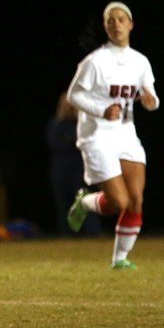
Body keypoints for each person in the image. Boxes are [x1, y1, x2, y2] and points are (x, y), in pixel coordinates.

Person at [66, 1, 160, 270]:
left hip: (126, 133)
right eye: (110, 20)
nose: (116, 24)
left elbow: (152, 99)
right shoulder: (95, 61)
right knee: (119, 202)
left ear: (131, 24)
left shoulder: (140, 61)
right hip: (96, 136)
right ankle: (84, 202)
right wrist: (101, 109)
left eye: (121, 19)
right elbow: (74, 95)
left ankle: (120, 260)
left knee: (136, 199)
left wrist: (151, 101)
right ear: (105, 27)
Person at [47, 92, 101, 236]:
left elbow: (87, 142)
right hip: (61, 167)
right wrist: (71, 140)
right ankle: (67, 233)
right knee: (62, 201)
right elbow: (56, 143)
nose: (68, 108)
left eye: (71, 104)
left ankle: (92, 232)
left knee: (83, 198)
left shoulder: (82, 124)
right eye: (66, 105)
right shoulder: (56, 124)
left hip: (79, 167)